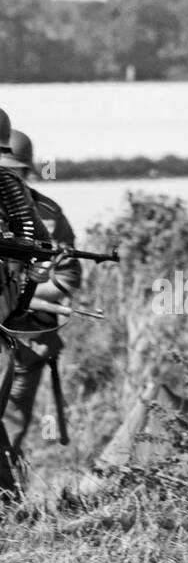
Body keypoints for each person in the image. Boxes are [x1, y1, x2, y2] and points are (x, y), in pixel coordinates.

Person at [1, 113, 80, 503]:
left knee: (10, 428)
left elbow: (65, 282)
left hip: (28, 341)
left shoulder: (46, 216)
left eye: (14, 169)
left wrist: (22, 286)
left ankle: (7, 504)